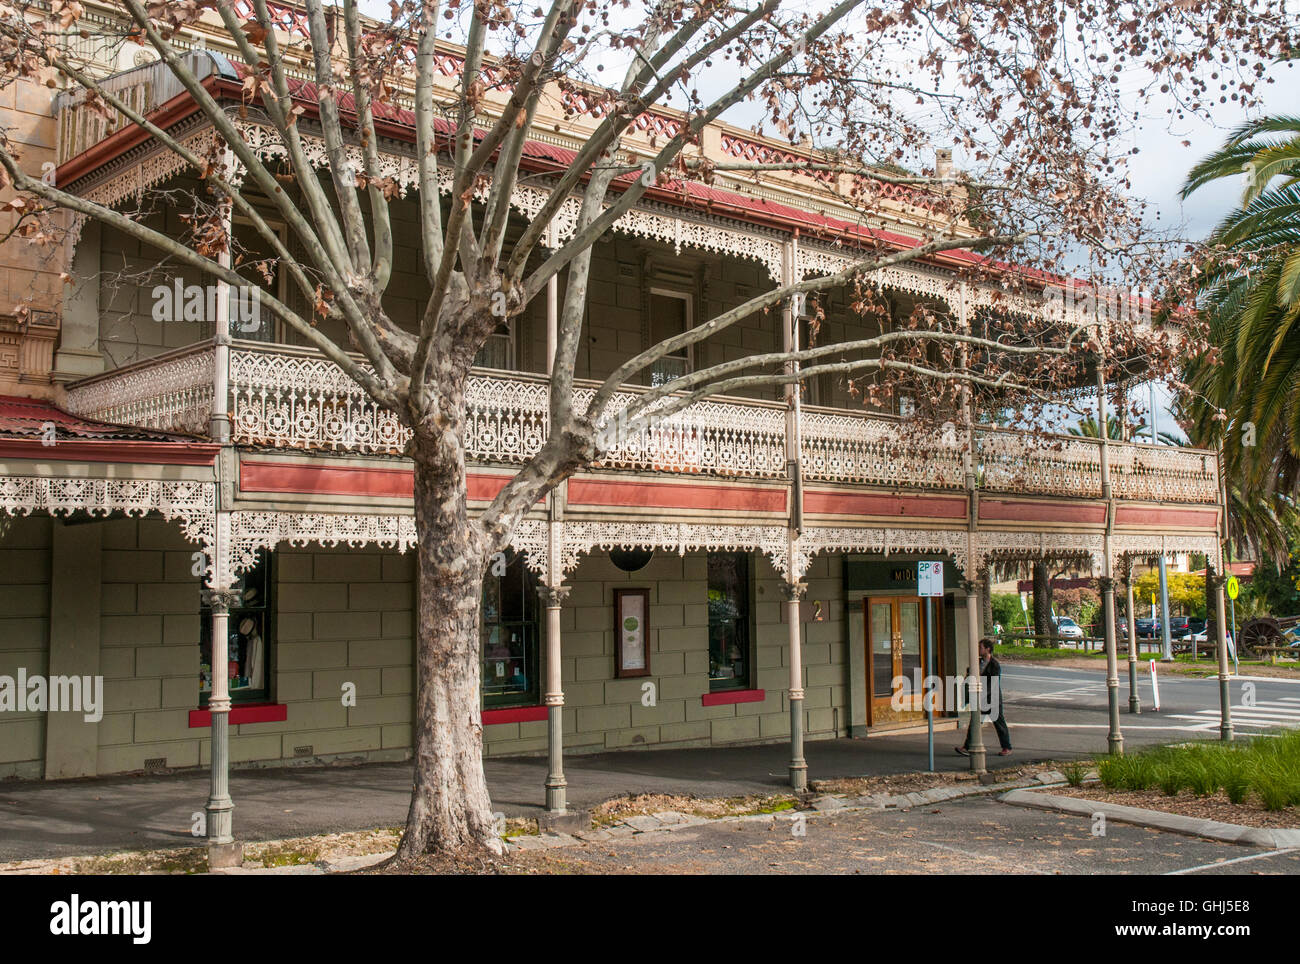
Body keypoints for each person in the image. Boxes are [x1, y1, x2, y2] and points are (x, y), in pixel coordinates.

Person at [956, 637, 1012, 757]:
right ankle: (966, 746)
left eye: (980, 647)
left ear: (987, 649)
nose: (978, 650)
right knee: (975, 721)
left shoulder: (994, 664)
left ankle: (1006, 746)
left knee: (999, 722)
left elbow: (994, 683)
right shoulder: (978, 662)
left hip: (992, 698)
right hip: (981, 697)